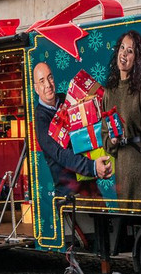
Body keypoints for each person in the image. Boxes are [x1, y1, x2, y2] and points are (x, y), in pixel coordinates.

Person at [101, 31, 141, 207]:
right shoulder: (109, 93)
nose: (124, 53)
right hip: (122, 173)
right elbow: (105, 137)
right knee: (128, 227)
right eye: (122, 48)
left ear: (136, 59)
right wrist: (112, 141)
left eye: (130, 51)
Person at [32, 61, 112, 194]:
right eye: (41, 81)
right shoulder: (41, 120)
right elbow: (60, 154)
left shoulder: (66, 99)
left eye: (50, 77)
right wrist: (92, 167)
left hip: (89, 185)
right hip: (69, 194)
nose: (48, 84)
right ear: (36, 88)